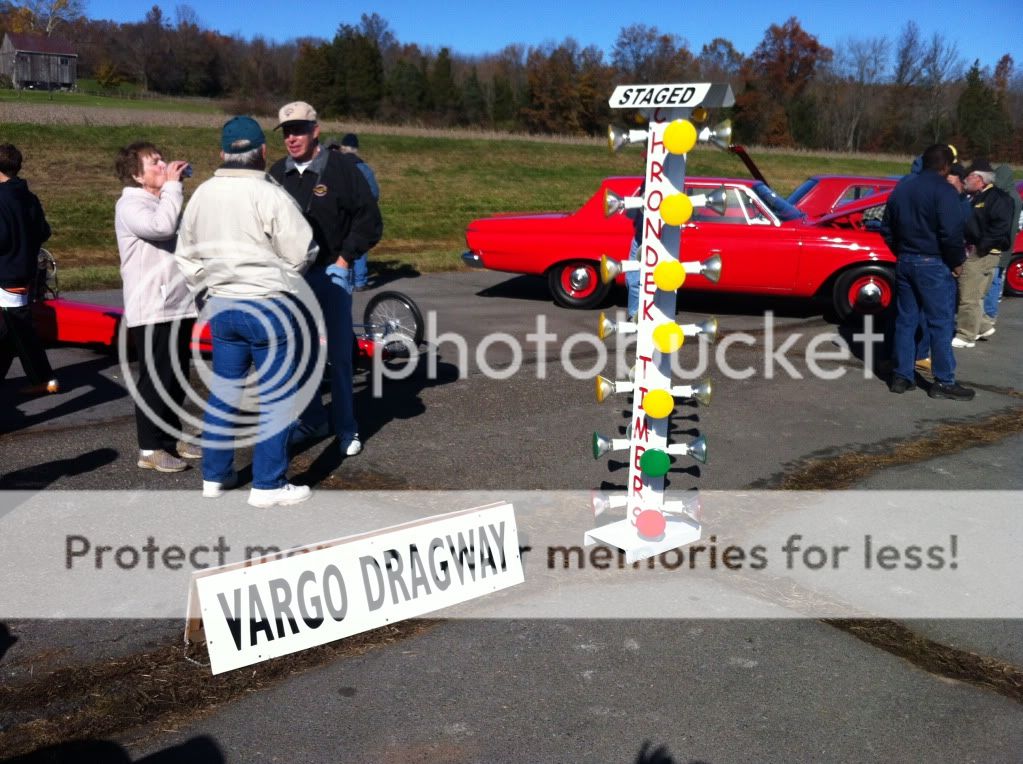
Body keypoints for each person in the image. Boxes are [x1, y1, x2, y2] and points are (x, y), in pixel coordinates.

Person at [175, 116, 319, 507]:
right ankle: (268, 484)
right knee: (276, 397)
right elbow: (302, 250)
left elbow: (185, 253)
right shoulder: (270, 195)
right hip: (266, 304)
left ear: (222, 153)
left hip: (221, 304)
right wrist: (281, 282)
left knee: (224, 392)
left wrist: (206, 288)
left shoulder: (202, 194)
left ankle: (214, 476)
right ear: (263, 152)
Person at [269, 102, 382, 458]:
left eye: (299, 130)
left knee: (339, 357)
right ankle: (314, 419)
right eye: (287, 132)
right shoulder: (276, 174)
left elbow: (369, 219)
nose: (292, 138)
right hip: (291, 280)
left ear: (315, 130)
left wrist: (346, 259)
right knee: (300, 355)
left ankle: (347, 427)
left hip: (330, 274)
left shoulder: (342, 169)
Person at [114, 141, 197, 472]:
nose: (163, 166)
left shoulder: (162, 200)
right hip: (150, 305)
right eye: (155, 163)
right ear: (137, 175)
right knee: (156, 377)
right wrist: (174, 187)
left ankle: (170, 436)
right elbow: (162, 227)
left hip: (177, 303)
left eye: (162, 160)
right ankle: (149, 448)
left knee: (177, 375)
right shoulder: (131, 205)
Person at [880, 143, 973, 401]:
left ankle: (902, 376)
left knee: (905, 320)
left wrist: (901, 251)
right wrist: (956, 262)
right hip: (933, 262)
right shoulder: (944, 192)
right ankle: (943, 381)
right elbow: (951, 233)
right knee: (940, 323)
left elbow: (887, 226)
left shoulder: (903, 187)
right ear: (945, 167)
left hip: (906, 259)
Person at [0, 143, 57, 395]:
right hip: (25, 271)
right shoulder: (28, 196)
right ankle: (43, 379)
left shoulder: (1, 199)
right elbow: (44, 231)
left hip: (5, 273)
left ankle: (44, 379)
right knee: (14, 329)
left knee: (16, 328)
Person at [952, 158, 1014, 348]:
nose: (966, 179)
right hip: (979, 250)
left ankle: (966, 335)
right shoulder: (977, 197)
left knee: (968, 293)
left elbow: (1000, 227)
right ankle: (983, 326)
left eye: (969, 176)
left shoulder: (997, 198)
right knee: (977, 294)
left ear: (979, 178)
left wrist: (982, 246)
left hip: (983, 253)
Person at [330, 132, 380, 290]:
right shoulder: (364, 168)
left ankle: (344, 278)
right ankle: (359, 281)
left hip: (340, 213)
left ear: (343, 147)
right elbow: (374, 192)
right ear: (356, 149)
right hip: (359, 212)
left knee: (342, 245)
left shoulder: (336, 166)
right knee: (359, 244)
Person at [980, 165, 1022, 334]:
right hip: (1007, 244)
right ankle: (990, 314)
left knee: (993, 280)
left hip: (1000, 245)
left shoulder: (1007, 198)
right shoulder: (1015, 197)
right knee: (996, 280)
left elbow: (1007, 226)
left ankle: (989, 315)